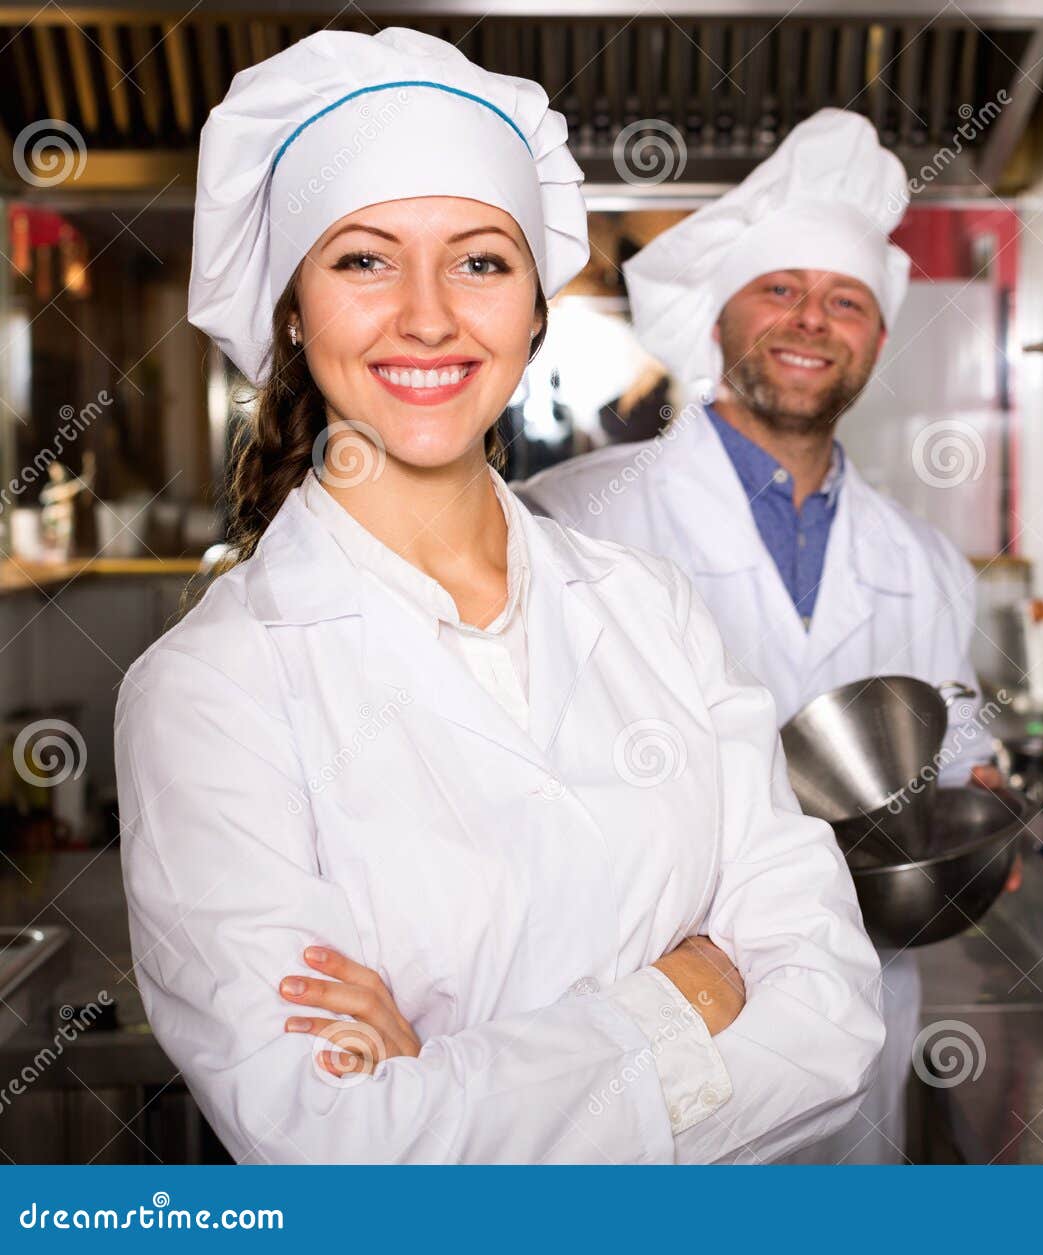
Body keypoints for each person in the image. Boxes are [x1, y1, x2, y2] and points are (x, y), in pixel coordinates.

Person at [113, 28, 883, 1165]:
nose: (428, 315)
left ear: (532, 311)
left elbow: (833, 1024)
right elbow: (343, 1155)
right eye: (364, 260)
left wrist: (447, 1070)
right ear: (291, 310)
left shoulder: (652, 610)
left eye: (480, 260)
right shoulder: (211, 693)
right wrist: (680, 1000)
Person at [516, 109, 1002, 1165]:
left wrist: (983, 809)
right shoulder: (572, 520)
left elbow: (959, 759)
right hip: (639, 1001)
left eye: (844, 301)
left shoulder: (923, 563)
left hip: (859, 1002)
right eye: (778, 289)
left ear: (876, 335)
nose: (810, 320)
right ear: (719, 320)